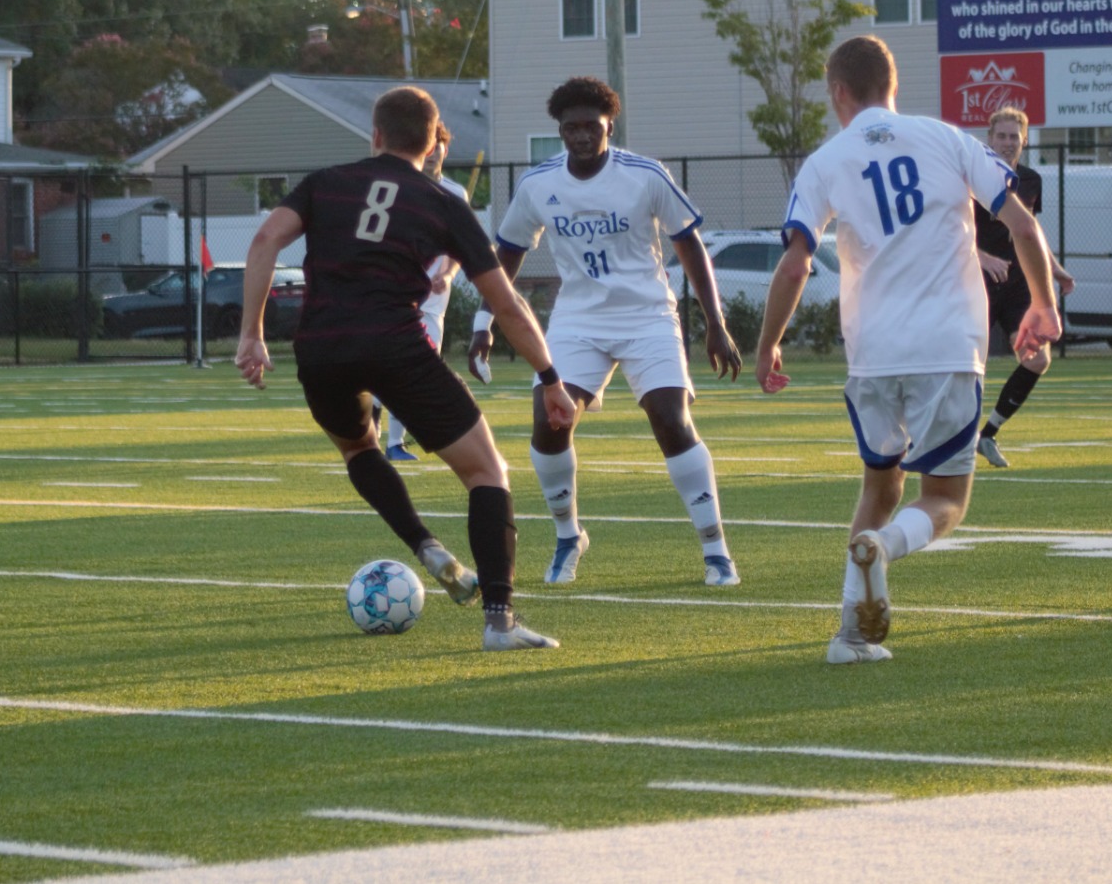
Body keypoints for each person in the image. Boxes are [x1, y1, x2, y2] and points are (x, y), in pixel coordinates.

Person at [236, 87, 578, 651]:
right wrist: (549, 378)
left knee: (360, 450)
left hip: (320, 346)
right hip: (395, 343)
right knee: (487, 473)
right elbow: (506, 303)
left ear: (374, 135)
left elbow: (266, 237)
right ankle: (499, 621)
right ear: (432, 141)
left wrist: (251, 334)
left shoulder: (324, 181)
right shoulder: (443, 202)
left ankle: (424, 544)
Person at [755, 37, 1060, 664]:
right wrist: (1043, 305)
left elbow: (793, 266)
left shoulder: (825, 161)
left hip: (872, 352)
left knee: (881, 484)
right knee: (945, 499)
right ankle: (885, 551)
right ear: (893, 84)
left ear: (838, 91)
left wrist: (769, 346)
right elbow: (1023, 224)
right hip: (947, 346)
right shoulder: (947, 140)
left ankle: (849, 635)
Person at [470, 76, 744, 588]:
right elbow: (506, 254)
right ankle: (569, 536)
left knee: (670, 418)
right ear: (559, 131)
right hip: (578, 320)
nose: (580, 136)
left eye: (591, 127)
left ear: (609, 126)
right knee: (549, 421)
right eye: (570, 128)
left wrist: (715, 323)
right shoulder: (538, 183)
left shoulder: (644, 175)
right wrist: (484, 321)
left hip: (647, 317)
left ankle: (716, 549)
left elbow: (689, 245)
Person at [971, 108, 1074, 468]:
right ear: (989, 138)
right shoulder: (974, 176)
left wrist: (1056, 270)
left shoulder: (1030, 180)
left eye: (1014, 136)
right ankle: (941, 439)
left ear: (1025, 140)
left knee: (1038, 359)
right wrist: (981, 257)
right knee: (966, 367)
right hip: (977, 282)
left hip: (1017, 285)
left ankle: (988, 434)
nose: (1008, 143)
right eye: (1001, 136)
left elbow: (1030, 231)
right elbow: (953, 229)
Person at [383, 122, 472, 462]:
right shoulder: (393, 189)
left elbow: (458, 246)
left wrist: (447, 274)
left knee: (417, 367)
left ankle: (393, 440)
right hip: (396, 296)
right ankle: (390, 440)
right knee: (398, 368)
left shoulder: (454, 193)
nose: (432, 151)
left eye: (438, 144)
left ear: (445, 148)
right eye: (426, 144)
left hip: (433, 302)